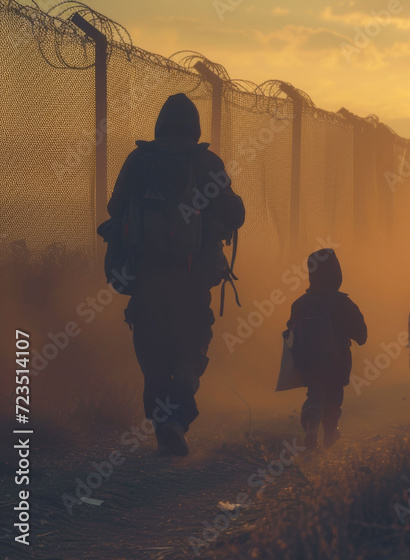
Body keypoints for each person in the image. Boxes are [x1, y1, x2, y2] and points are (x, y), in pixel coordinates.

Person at [105, 93, 245, 456]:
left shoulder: (139, 160)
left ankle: (161, 419)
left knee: (152, 354)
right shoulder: (206, 162)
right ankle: (177, 418)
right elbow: (234, 214)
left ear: (160, 124)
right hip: (192, 278)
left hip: (146, 277)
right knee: (191, 346)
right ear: (195, 126)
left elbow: (114, 207)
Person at [287, 248, 368, 450]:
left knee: (315, 395)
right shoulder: (342, 303)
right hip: (337, 362)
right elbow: (361, 333)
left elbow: (290, 331)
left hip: (310, 362)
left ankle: (311, 430)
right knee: (333, 400)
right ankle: (330, 434)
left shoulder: (300, 304)